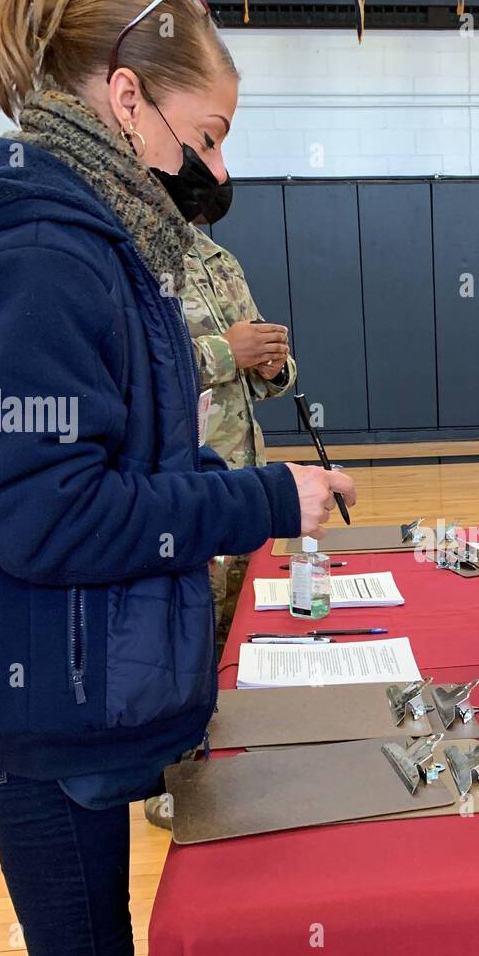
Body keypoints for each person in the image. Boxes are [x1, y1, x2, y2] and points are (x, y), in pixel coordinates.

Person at [0, 0, 356, 956]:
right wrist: (262, 499)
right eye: (210, 132)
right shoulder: (42, 254)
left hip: (74, 682)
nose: (215, 162)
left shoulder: (87, 234)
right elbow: (44, 511)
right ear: (126, 99)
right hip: (44, 700)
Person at [182, 224, 296, 651]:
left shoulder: (219, 260)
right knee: (197, 630)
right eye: (208, 151)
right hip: (190, 484)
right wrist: (228, 352)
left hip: (246, 480)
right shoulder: (136, 256)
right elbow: (138, 368)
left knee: (242, 623)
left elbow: (266, 373)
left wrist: (274, 367)